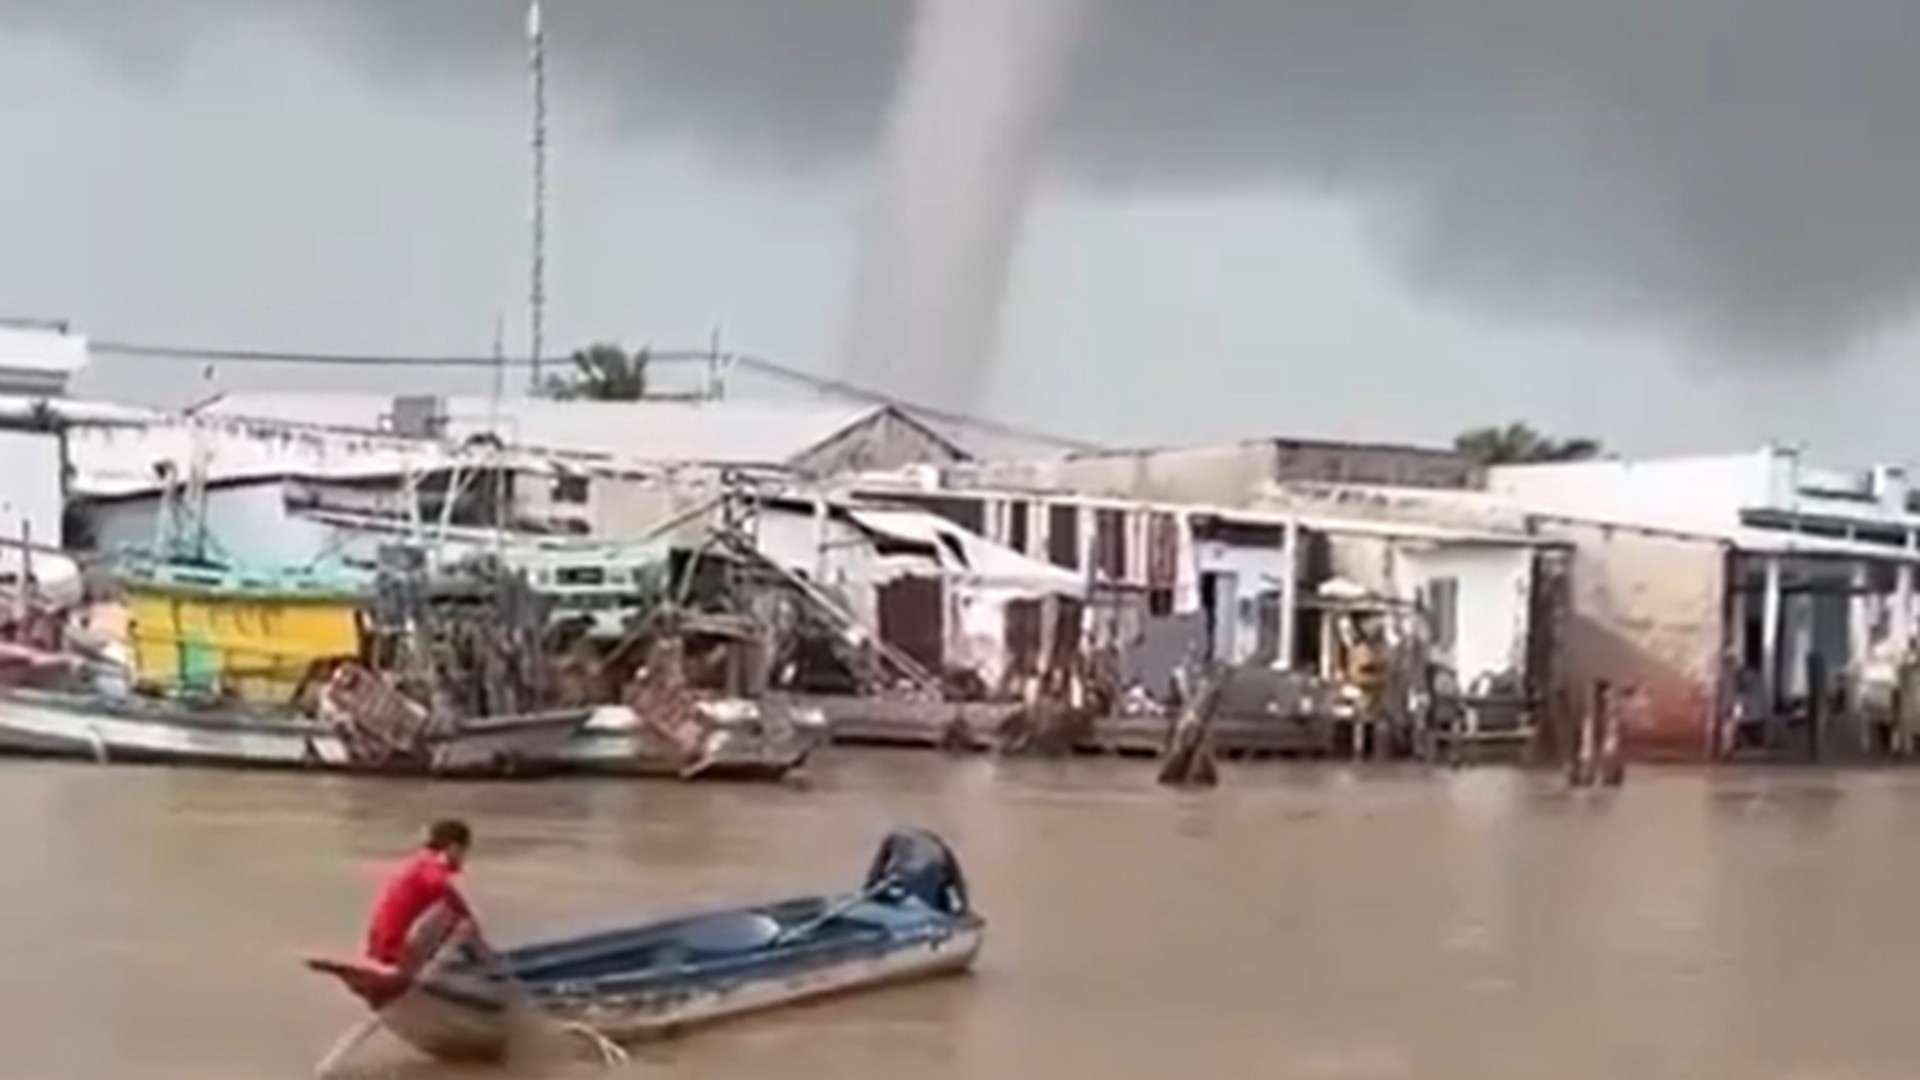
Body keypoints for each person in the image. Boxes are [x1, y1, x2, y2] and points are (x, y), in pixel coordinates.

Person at [364, 818, 493, 975]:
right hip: (392, 948)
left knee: (456, 917)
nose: (463, 858)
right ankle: (435, 976)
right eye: (463, 851)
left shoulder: (421, 861)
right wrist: (478, 938)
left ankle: (477, 964)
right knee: (462, 924)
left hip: (379, 944)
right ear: (454, 848)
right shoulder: (433, 867)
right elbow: (448, 897)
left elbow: (452, 896)